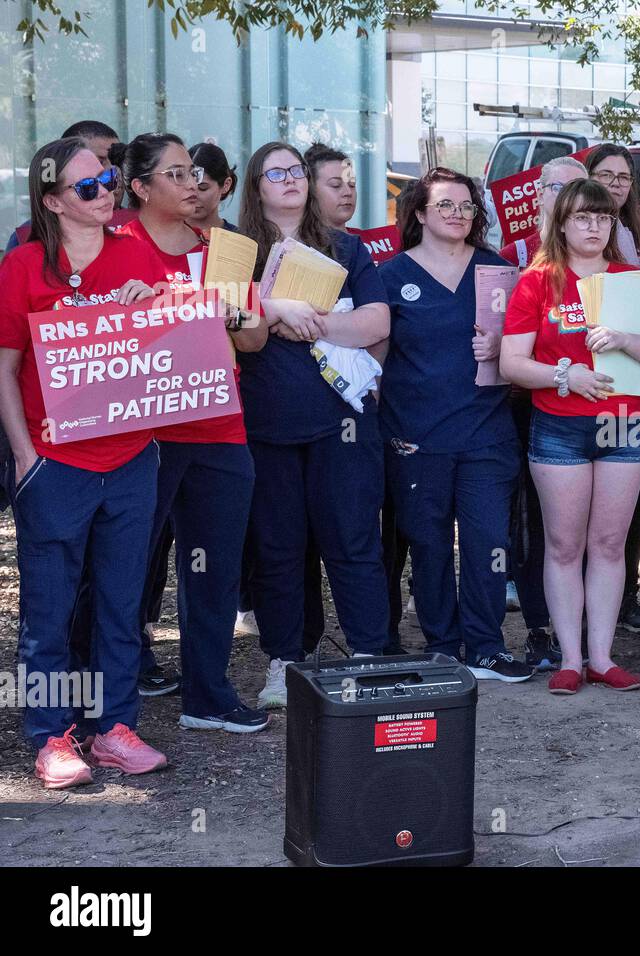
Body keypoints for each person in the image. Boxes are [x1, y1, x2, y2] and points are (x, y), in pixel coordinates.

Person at [0, 136, 170, 787]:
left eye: (108, 179)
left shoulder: (136, 250)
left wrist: (152, 306)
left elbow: (173, 342)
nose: (106, 192)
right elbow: (5, 368)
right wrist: (24, 456)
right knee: (48, 612)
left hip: (131, 459)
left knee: (121, 605)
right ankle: (51, 737)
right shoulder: (23, 265)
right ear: (52, 201)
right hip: (55, 464)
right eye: (88, 186)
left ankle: (114, 728)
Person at [500, 178, 640, 695]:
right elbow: (512, 362)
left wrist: (626, 338)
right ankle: (570, 658)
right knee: (563, 545)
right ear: (561, 223)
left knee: (608, 544)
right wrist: (566, 376)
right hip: (559, 425)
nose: (594, 226)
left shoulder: (634, 280)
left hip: (624, 423)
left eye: (603, 217)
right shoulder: (538, 282)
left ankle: (602, 657)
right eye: (582, 217)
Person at [117, 132, 270, 732]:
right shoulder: (113, 246)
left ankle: (208, 697)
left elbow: (254, 337)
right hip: (140, 435)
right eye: (177, 174)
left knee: (213, 568)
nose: (194, 183)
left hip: (218, 428)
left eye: (196, 173)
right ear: (140, 187)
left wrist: (231, 313)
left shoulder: (224, 250)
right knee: (123, 567)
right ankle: (108, 703)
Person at [236, 141, 392, 707]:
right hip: (266, 423)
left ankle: (369, 655)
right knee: (277, 549)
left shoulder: (347, 248)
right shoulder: (236, 251)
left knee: (353, 540)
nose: (291, 179)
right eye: (275, 172)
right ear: (256, 186)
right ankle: (285, 662)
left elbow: (378, 322)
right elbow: (234, 326)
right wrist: (272, 311)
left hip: (343, 425)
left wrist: (311, 321)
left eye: (297, 170)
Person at [379, 168, 532, 682]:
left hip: (486, 432)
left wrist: (502, 345)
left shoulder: (499, 272)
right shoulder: (390, 276)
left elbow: (529, 344)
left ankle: (486, 646)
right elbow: (373, 356)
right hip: (416, 436)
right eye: (444, 204)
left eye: (466, 205)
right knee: (429, 545)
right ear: (420, 213)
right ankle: (443, 644)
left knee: (489, 541)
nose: (457, 214)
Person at [499, 156, 587, 666]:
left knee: (590, 529)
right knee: (534, 523)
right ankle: (540, 627)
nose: (571, 199)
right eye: (559, 188)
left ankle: (587, 633)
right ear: (538, 195)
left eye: (581, 189)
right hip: (523, 403)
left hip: (594, 408)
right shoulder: (512, 255)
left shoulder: (607, 254)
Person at [584, 143, 640, 630]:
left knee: (626, 512)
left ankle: (624, 599)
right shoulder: (551, 261)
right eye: (605, 175)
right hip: (571, 402)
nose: (615, 184)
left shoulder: (635, 239)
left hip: (628, 395)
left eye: (623, 177)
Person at [6, 121, 122, 253]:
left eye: (116, 160)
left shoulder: (136, 236)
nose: (111, 168)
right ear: (53, 202)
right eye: (100, 160)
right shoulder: (23, 250)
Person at [188, 142, 239, 233]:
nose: (192, 196)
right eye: (187, 187)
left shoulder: (238, 239)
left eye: (202, 187)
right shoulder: (164, 236)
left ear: (226, 185)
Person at [305, 142, 358, 230]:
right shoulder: (294, 239)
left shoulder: (376, 237)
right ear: (310, 190)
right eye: (336, 185)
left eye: (352, 185)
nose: (348, 192)